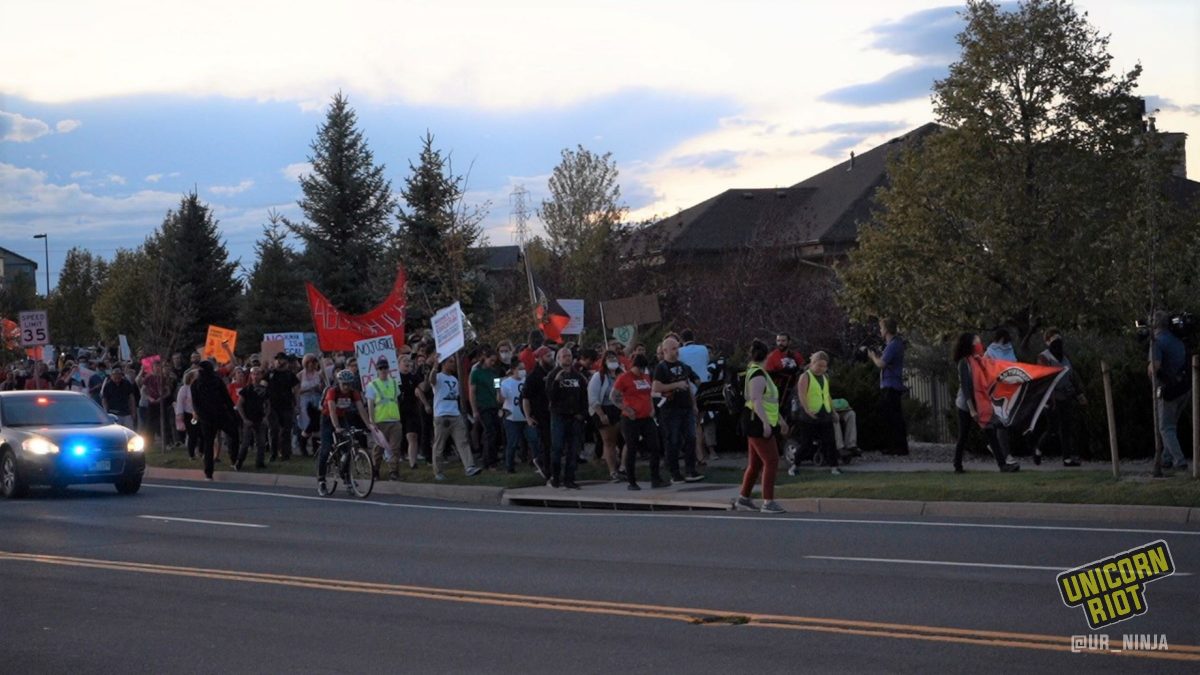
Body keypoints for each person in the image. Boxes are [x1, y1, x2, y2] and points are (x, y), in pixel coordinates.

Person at [951, 333, 1020, 473]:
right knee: (963, 435)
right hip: (966, 405)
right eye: (977, 342)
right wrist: (972, 410)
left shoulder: (979, 361)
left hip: (981, 404)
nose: (980, 344)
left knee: (991, 433)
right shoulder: (964, 363)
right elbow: (966, 388)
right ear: (970, 345)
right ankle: (957, 465)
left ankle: (1003, 465)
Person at [734, 339, 788, 514]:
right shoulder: (758, 374)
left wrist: (779, 419)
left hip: (759, 420)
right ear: (768, 356)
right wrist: (766, 423)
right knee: (771, 461)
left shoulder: (756, 372)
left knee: (755, 464)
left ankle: (744, 498)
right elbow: (757, 400)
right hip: (757, 422)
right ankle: (768, 501)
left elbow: (767, 401)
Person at [611, 353, 667, 490]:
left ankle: (656, 478)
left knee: (655, 447)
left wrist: (652, 408)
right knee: (632, 448)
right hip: (631, 419)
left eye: (642, 369)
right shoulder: (624, 378)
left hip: (646, 417)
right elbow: (614, 396)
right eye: (638, 369)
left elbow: (649, 394)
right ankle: (632, 481)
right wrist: (626, 408)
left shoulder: (646, 377)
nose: (640, 372)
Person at [653, 337, 704, 483]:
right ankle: (674, 472)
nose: (677, 351)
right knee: (673, 441)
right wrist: (675, 385)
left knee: (691, 438)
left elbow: (690, 383)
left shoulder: (683, 366)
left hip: (686, 406)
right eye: (674, 348)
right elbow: (656, 387)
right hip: (670, 409)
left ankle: (690, 469)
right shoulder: (661, 368)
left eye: (678, 348)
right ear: (665, 351)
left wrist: (694, 404)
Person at [1034, 329, 1086, 467]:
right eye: (1053, 338)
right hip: (1052, 398)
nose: (1057, 340)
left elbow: (1072, 375)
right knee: (1052, 429)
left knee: (1066, 428)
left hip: (1066, 396)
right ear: (1047, 341)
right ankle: (1038, 449)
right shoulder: (1043, 357)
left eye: (1058, 337)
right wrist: (1049, 400)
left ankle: (1067, 458)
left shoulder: (1065, 356)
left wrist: (1079, 393)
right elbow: (1044, 379)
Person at [318, 369, 374, 495]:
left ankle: (347, 476)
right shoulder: (332, 392)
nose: (346, 387)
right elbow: (332, 410)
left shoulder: (354, 393)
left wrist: (369, 425)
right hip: (328, 419)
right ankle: (321, 480)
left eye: (349, 384)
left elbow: (361, 409)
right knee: (326, 449)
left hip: (342, 417)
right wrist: (336, 427)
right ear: (339, 383)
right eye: (344, 384)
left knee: (349, 447)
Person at [428, 354, 482, 481]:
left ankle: (469, 466)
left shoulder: (454, 379)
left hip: (455, 414)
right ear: (444, 363)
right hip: (442, 415)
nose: (453, 364)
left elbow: (456, 396)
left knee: (462, 441)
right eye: (450, 362)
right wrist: (435, 366)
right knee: (439, 445)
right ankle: (438, 471)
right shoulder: (439, 377)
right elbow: (431, 380)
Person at [1149, 311, 1191, 471]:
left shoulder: (1157, 342)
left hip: (1168, 390)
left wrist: (1150, 368)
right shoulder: (1177, 340)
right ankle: (1166, 459)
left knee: (1165, 427)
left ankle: (1179, 460)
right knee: (1172, 425)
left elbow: (1155, 367)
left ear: (1155, 325)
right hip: (1184, 389)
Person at [545, 346, 588, 489]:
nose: (567, 358)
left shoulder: (578, 376)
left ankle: (569, 479)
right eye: (564, 356)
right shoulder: (553, 375)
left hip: (574, 417)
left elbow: (583, 397)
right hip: (559, 416)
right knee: (557, 447)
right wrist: (557, 382)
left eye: (569, 356)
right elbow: (550, 396)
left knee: (573, 449)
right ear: (558, 359)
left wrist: (582, 414)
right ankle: (555, 477)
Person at [191, 360, 241, 478]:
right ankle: (227, 462)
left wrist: (231, 413)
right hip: (215, 416)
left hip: (216, 415)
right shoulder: (200, 383)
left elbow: (196, 404)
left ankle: (211, 471)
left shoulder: (211, 382)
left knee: (211, 443)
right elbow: (226, 399)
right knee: (230, 436)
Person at [793, 351, 841, 476]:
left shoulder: (825, 377)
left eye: (824, 366)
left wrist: (833, 411)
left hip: (825, 413)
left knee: (830, 441)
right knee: (806, 443)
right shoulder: (805, 376)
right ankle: (795, 464)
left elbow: (827, 395)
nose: (822, 369)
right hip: (809, 416)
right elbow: (801, 395)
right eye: (819, 365)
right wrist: (807, 410)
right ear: (812, 363)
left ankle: (834, 466)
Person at [869, 318, 909, 455]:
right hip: (892, 384)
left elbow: (881, 364)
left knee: (892, 417)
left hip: (891, 385)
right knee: (894, 416)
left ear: (886, 330)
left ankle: (896, 447)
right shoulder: (894, 344)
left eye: (881, 328)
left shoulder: (893, 345)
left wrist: (873, 356)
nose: (880, 331)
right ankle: (898, 447)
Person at [588, 350, 625, 482]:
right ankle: (613, 471)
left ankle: (623, 467)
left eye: (614, 358)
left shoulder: (623, 374)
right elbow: (592, 398)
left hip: (621, 409)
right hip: (605, 409)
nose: (612, 361)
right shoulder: (599, 376)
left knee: (625, 440)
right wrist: (601, 414)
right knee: (609, 441)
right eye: (609, 358)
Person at [366, 357, 405, 480]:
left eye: (385, 368)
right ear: (377, 370)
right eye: (380, 368)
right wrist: (372, 421)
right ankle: (375, 470)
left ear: (388, 369)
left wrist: (398, 417)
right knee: (379, 449)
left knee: (395, 448)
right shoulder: (372, 385)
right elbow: (370, 404)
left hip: (394, 420)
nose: (383, 370)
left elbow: (396, 401)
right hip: (380, 421)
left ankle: (393, 471)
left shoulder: (394, 383)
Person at [498, 360, 539, 473]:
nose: (523, 371)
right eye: (520, 368)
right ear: (513, 370)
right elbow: (501, 399)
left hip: (526, 417)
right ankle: (509, 467)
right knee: (512, 443)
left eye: (523, 368)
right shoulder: (506, 383)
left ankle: (537, 462)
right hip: (512, 418)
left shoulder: (527, 381)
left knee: (534, 440)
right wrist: (497, 389)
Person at [521, 346, 555, 479]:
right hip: (541, 415)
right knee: (546, 443)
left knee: (554, 443)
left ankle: (548, 465)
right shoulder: (533, 376)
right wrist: (528, 417)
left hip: (553, 413)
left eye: (551, 356)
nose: (551, 359)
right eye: (547, 356)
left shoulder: (553, 372)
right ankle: (546, 469)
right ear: (540, 359)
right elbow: (526, 398)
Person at [468, 346, 503, 470]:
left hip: (493, 404)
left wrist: (499, 393)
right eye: (491, 360)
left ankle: (490, 457)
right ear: (485, 358)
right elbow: (472, 391)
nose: (492, 363)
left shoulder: (493, 372)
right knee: (490, 432)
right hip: (482, 405)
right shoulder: (476, 373)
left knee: (495, 432)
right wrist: (474, 409)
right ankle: (489, 461)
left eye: (494, 361)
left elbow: (497, 385)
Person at [265, 352, 300, 461]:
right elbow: (262, 386)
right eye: (277, 359)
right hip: (272, 406)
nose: (279, 362)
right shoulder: (270, 374)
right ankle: (274, 453)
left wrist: (296, 404)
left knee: (286, 431)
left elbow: (296, 390)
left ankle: (286, 454)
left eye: (281, 359)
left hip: (287, 406)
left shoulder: (290, 375)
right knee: (274, 430)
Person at [237, 366, 270, 469]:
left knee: (261, 443)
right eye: (254, 374)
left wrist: (266, 417)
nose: (256, 376)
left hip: (260, 419)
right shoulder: (246, 390)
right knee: (245, 443)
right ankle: (239, 462)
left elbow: (268, 404)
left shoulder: (264, 390)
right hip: (249, 419)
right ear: (251, 376)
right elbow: (239, 405)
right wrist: (244, 419)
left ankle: (259, 463)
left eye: (258, 374)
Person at [296, 354, 327, 458]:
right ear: (305, 363)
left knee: (316, 424)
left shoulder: (319, 374)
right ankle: (303, 444)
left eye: (314, 362)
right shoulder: (300, 375)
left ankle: (316, 448)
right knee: (309, 423)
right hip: (306, 402)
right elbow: (296, 391)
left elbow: (324, 388)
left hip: (317, 400)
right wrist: (309, 389)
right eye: (309, 362)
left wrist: (320, 388)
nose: (312, 364)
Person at [397, 354, 423, 470]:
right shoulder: (394, 379)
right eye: (404, 361)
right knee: (399, 437)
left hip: (411, 410)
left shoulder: (414, 377)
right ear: (398, 364)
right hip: (397, 411)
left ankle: (413, 463)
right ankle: (399, 455)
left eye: (409, 361)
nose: (407, 363)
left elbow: (422, 387)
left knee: (412, 436)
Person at [174, 369, 201, 459]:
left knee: (202, 433)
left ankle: (201, 451)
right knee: (193, 434)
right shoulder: (184, 389)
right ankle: (191, 454)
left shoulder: (200, 387)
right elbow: (180, 402)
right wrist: (180, 414)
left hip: (200, 414)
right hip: (190, 415)